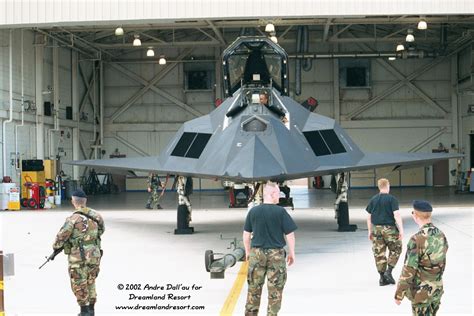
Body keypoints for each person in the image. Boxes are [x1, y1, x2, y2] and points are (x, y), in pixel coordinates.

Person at [243, 181, 297, 316]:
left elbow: (246, 234)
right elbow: (290, 234)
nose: (279, 196)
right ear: (272, 194)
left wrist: (248, 251)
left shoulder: (253, 211)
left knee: (254, 289)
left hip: (257, 253)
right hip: (276, 255)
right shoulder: (280, 212)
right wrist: (292, 253)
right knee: (275, 291)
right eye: (278, 193)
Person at [52, 189, 104, 316]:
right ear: (85, 201)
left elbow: (60, 238)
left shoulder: (73, 219)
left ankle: (84, 311)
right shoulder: (96, 215)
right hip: (94, 255)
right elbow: (101, 231)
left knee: (79, 283)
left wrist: (56, 247)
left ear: (73, 202)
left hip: (78, 258)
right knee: (91, 281)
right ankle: (91, 310)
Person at [395, 200, 448, 316]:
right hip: (437, 290)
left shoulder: (416, 239)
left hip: (421, 293)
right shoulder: (441, 235)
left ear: (415, 215)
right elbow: (442, 261)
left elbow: (409, 269)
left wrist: (399, 293)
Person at [366, 178, 404, 286]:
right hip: (390, 229)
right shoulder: (392, 199)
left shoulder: (373, 199)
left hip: (376, 229)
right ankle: (389, 271)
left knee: (379, 253)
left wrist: (370, 231)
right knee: (396, 249)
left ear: (379, 187)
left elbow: (368, 217)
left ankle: (382, 278)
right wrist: (401, 230)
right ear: (388, 186)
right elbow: (396, 215)